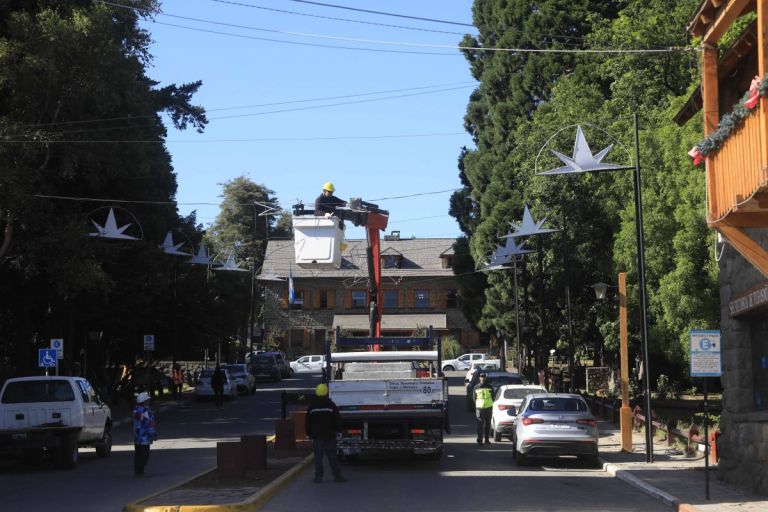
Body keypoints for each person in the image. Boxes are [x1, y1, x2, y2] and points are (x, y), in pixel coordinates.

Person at [306, 383, 346, 483]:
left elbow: (308, 422)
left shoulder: (312, 407)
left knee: (318, 457)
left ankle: (318, 477)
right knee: (332, 457)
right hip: (329, 435)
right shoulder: (331, 405)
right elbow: (337, 419)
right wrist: (339, 430)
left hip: (317, 436)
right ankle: (337, 476)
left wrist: (309, 434)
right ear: (326, 393)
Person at [132, 391, 157, 476]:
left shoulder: (135, 411)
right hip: (144, 437)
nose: (148, 401)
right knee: (145, 455)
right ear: (145, 401)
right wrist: (153, 434)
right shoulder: (147, 412)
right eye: (147, 400)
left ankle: (138, 471)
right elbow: (149, 424)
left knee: (138, 454)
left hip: (137, 437)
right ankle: (140, 470)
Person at [474, 373, 494, 445]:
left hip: (488, 408)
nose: (483, 378)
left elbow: (493, 397)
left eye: (484, 377)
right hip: (480, 408)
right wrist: (478, 404)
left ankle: (487, 440)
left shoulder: (490, 387)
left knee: (488, 425)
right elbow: (474, 398)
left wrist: (490, 404)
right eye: (481, 377)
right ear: (479, 378)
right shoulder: (476, 387)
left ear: (486, 378)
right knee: (480, 424)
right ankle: (480, 440)